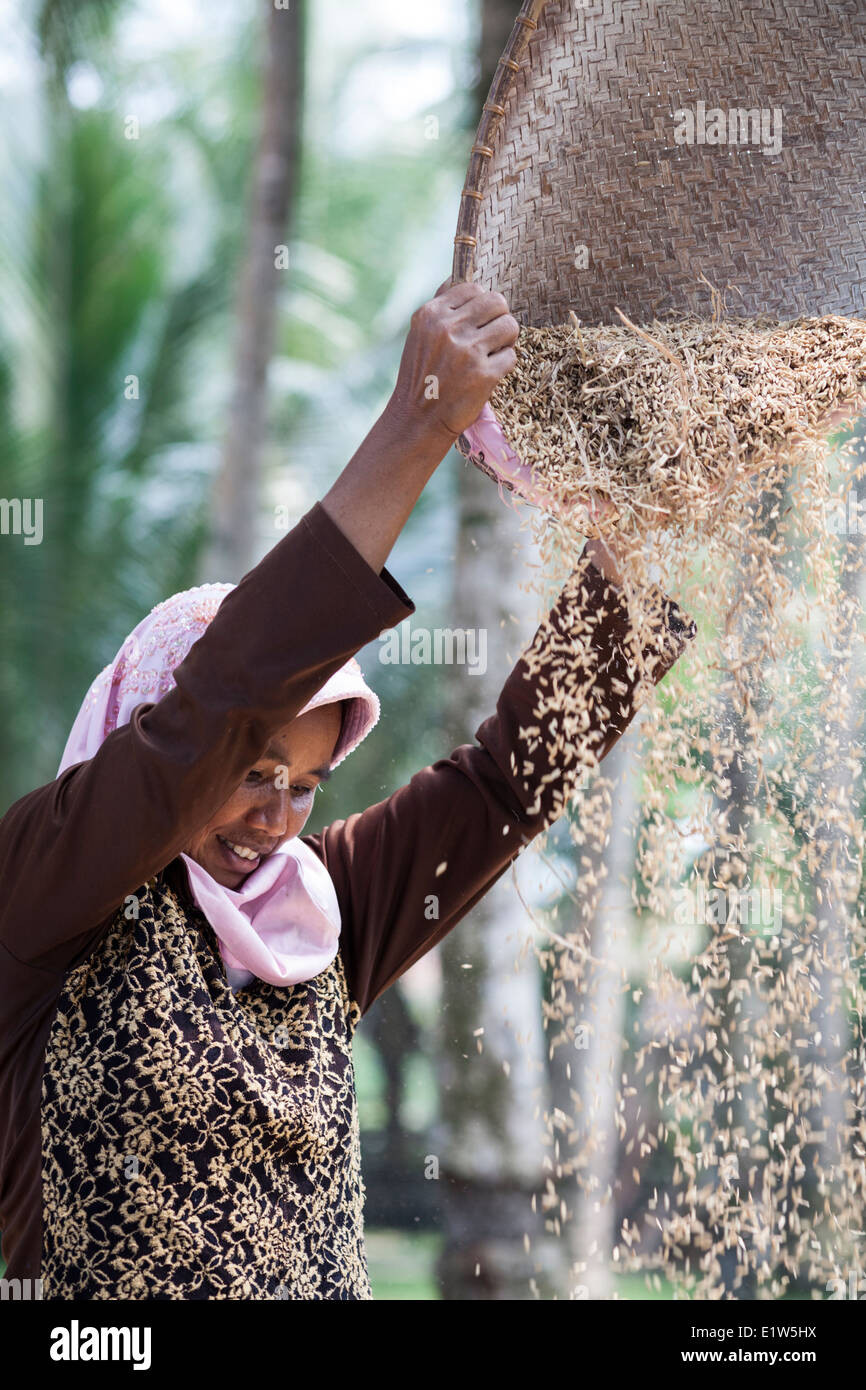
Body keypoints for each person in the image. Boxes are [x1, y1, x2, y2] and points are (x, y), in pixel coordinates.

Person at [0, 280, 696, 1300]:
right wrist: (418, 422)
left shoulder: (321, 912)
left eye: (307, 784)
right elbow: (221, 700)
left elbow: (504, 785)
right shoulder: (48, 891)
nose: (275, 816)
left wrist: (644, 538)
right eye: (250, 772)